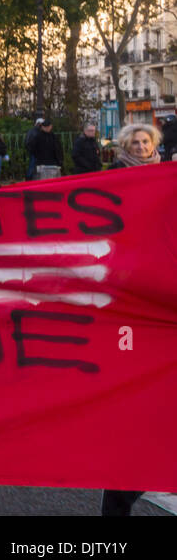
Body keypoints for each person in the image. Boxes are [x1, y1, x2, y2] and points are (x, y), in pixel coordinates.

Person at [99, 122, 162, 515]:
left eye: (146, 142)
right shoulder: (113, 181)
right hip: (128, 298)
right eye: (135, 143)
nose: (140, 147)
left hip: (162, 300)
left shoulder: (168, 177)